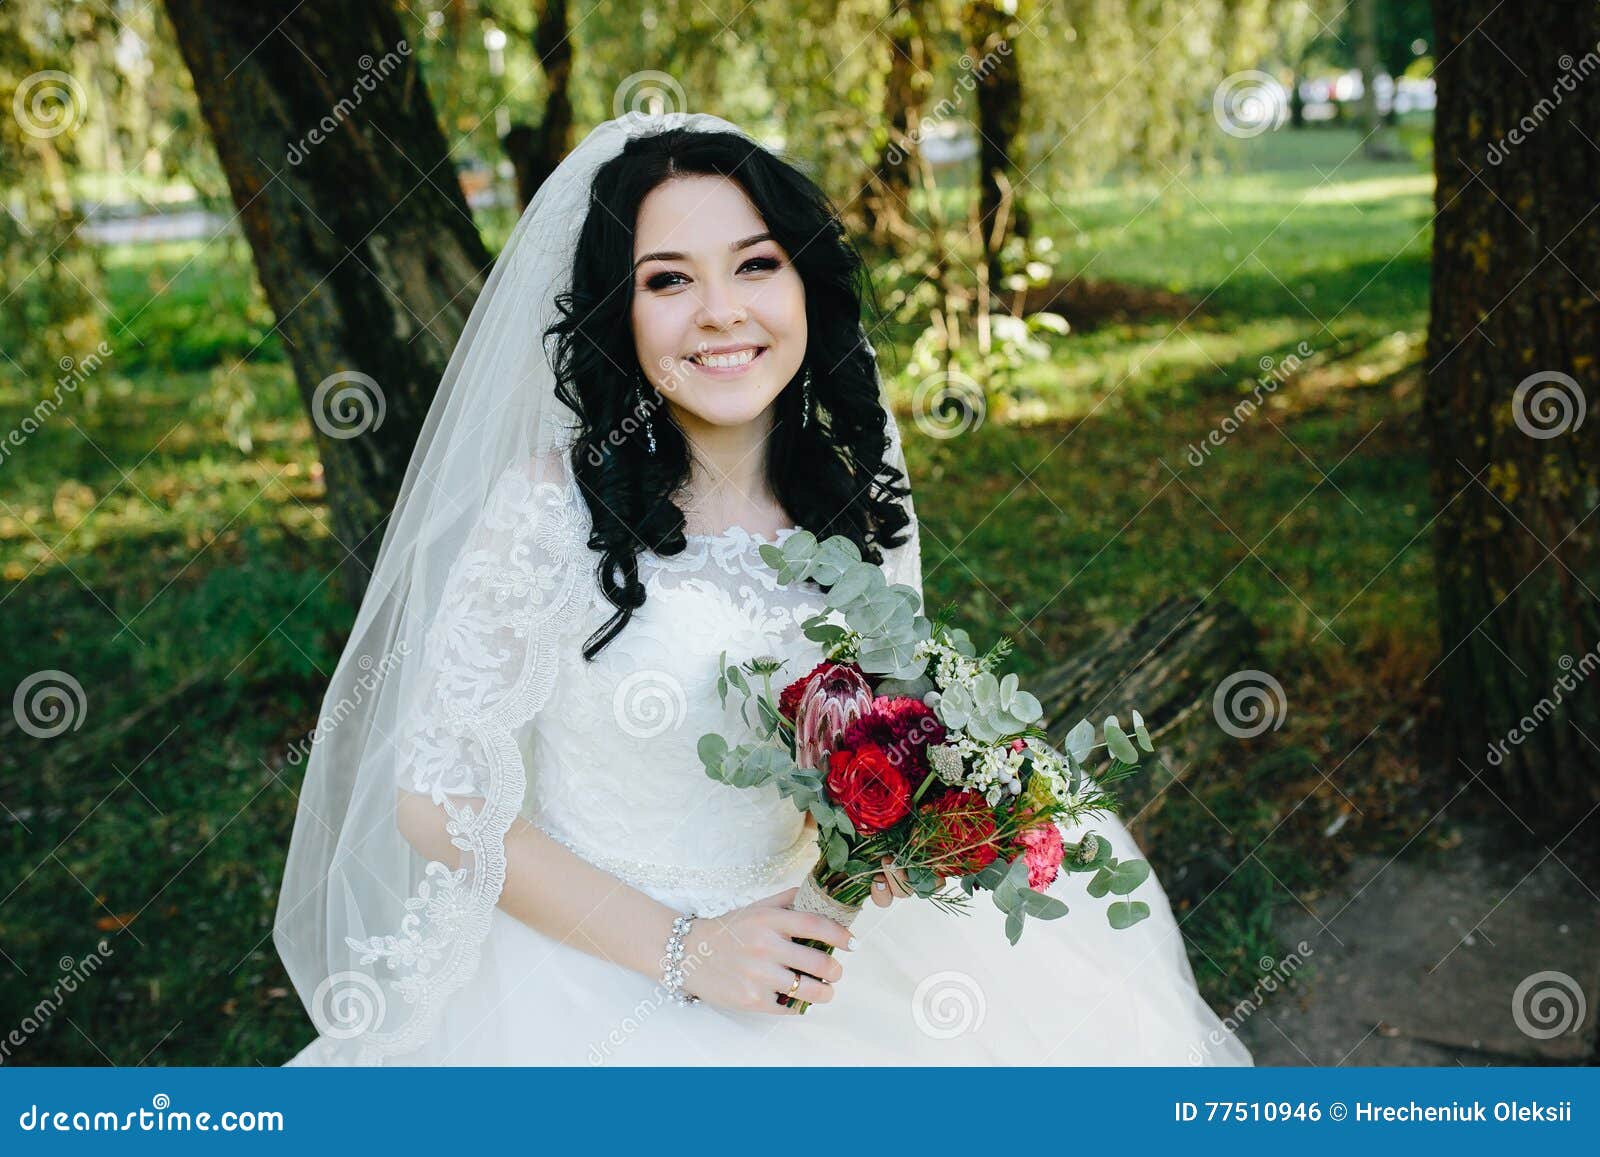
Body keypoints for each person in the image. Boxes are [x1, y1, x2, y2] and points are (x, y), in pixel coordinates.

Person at [275, 110, 1252, 1067]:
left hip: (814, 951)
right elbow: (435, 797)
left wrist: (893, 835)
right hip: (590, 971)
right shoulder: (548, 508)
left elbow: (880, 721)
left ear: (804, 283)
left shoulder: (850, 506)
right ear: (619, 311)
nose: (721, 311)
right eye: (668, 279)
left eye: (755, 265)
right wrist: (685, 949)